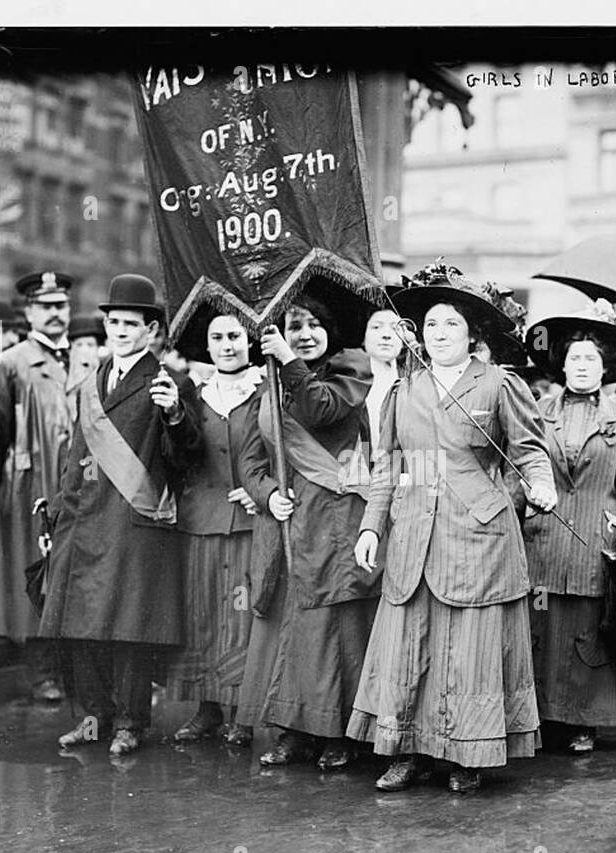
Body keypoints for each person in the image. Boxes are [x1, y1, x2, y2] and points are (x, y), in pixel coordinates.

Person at [347, 262, 557, 793]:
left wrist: (542, 483)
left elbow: (528, 450)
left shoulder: (498, 385)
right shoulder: (402, 390)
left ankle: (469, 756)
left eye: (451, 326)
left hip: (479, 536)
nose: (439, 335)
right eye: (432, 325)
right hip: (414, 531)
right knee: (410, 644)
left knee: (469, 651)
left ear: (472, 336)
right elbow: (386, 467)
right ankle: (405, 752)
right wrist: (372, 527)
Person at [42, 274, 200, 756]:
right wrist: (55, 515)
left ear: (151, 330)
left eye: (132, 324)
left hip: (133, 519)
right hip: (85, 517)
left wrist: (175, 416)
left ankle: (131, 722)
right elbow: (75, 455)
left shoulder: (170, 383)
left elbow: (186, 458)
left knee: (129, 628)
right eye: (114, 322)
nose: (121, 331)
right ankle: (94, 718)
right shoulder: (91, 381)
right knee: (81, 624)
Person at [238, 281, 381, 771]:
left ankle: (342, 732)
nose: (304, 334)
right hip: (290, 524)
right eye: (294, 326)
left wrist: (286, 360)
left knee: (341, 630)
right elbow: (251, 462)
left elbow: (321, 409)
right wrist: (268, 494)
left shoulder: (351, 369)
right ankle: (296, 731)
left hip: (339, 521)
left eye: (313, 325)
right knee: (294, 635)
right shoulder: (269, 387)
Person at [519, 299, 616, 753]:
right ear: (561, 364)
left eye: (590, 359)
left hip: (595, 541)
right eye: (574, 357)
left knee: (587, 633)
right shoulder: (536, 411)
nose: (581, 365)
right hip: (545, 539)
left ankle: (582, 721)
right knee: (543, 628)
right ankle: (538, 716)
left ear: (605, 368)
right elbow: (519, 469)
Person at [0, 271, 99, 703]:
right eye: (45, 307)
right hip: (32, 486)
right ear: (28, 312)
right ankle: (42, 671)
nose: (55, 315)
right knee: (34, 576)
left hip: (83, 488)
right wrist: (15, 476)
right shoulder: (10, 363)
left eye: (61, 306)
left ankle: (78, 670)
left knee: (80, 575)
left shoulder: (89, 361)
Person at [165, 307, 263, 746]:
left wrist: (263, 489)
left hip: (247, 520)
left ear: (249, 341)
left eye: (235, 337)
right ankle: (206, 706)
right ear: (207, 346)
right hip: (200, 517)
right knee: (203, 612)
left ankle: (241, 711)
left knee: (241, 614)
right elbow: (179, 450)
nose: (227, 345)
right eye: (218, 338)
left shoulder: (265, 390)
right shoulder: (194, 393)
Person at [362, 305, 404, 452]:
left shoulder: (413, 382)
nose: (386, 335)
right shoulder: (351, 380)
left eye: (395, 328)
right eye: (376, 327)